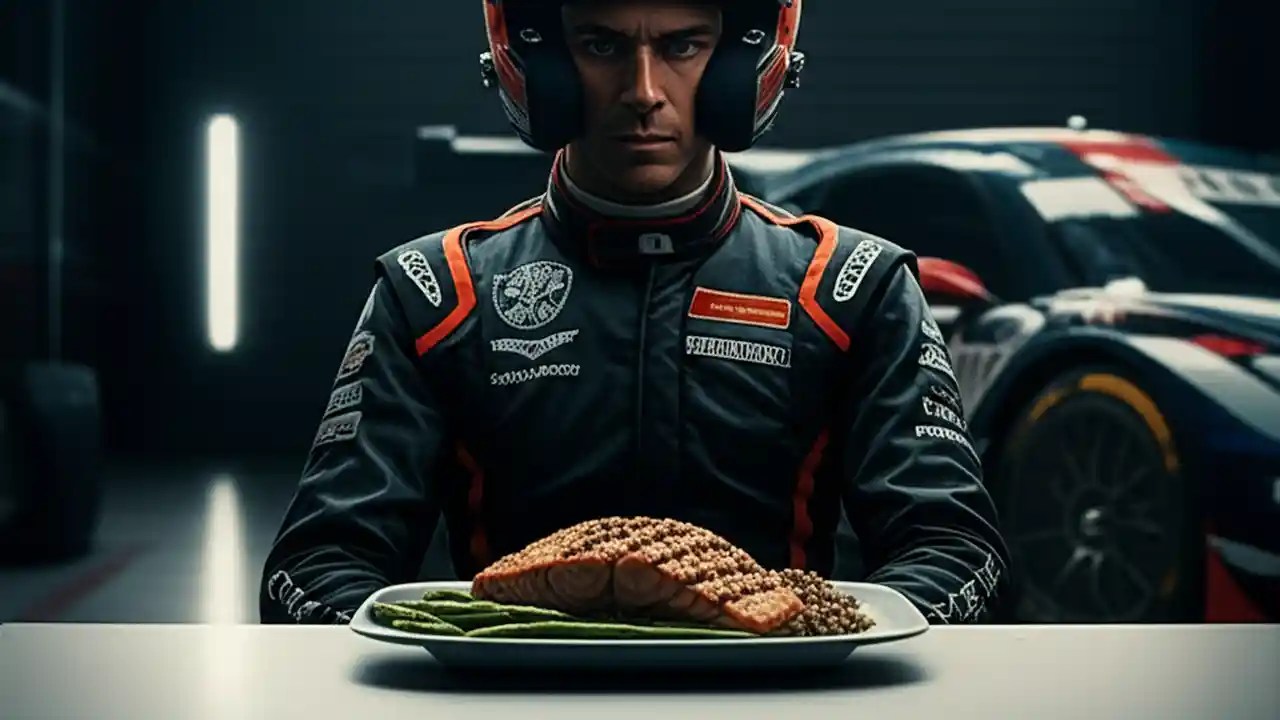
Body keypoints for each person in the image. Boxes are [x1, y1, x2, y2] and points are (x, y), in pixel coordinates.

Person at [260, 0, 1012, 626]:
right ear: (541, 60)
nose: (644, 90)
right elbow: (316, 566)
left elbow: (954, 551)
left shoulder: (851, 288)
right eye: (601, 45)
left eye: (683, 45)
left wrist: (822, 658)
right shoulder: (435, 293)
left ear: (741, 61)